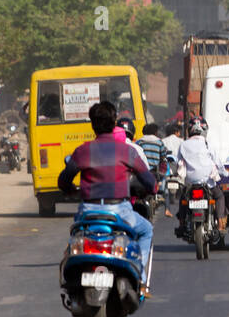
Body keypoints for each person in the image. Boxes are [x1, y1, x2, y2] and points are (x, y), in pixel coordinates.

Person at [58, 102, 157, 296]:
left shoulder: (83, 151)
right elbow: (150, 182)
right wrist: (152, 188)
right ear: (114, 123)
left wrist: (71, 191)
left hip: (88, 211)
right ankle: (141, 281)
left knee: (75, 238)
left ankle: (70, 278)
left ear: (93, 124)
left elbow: (64, 180)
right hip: (119, 211)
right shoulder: (127, 151)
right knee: (146, 231)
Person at [176, 117, 229, 233]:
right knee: (219, 196)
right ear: (205, 130)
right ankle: (221, 225)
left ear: (190, 130)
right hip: (208, 183)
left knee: (183, 199)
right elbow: (218, 164)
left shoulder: (183, 145)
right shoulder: (208, 144)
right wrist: (226, 173)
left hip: (190, 183)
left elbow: (179, 164)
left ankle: (181, 223)